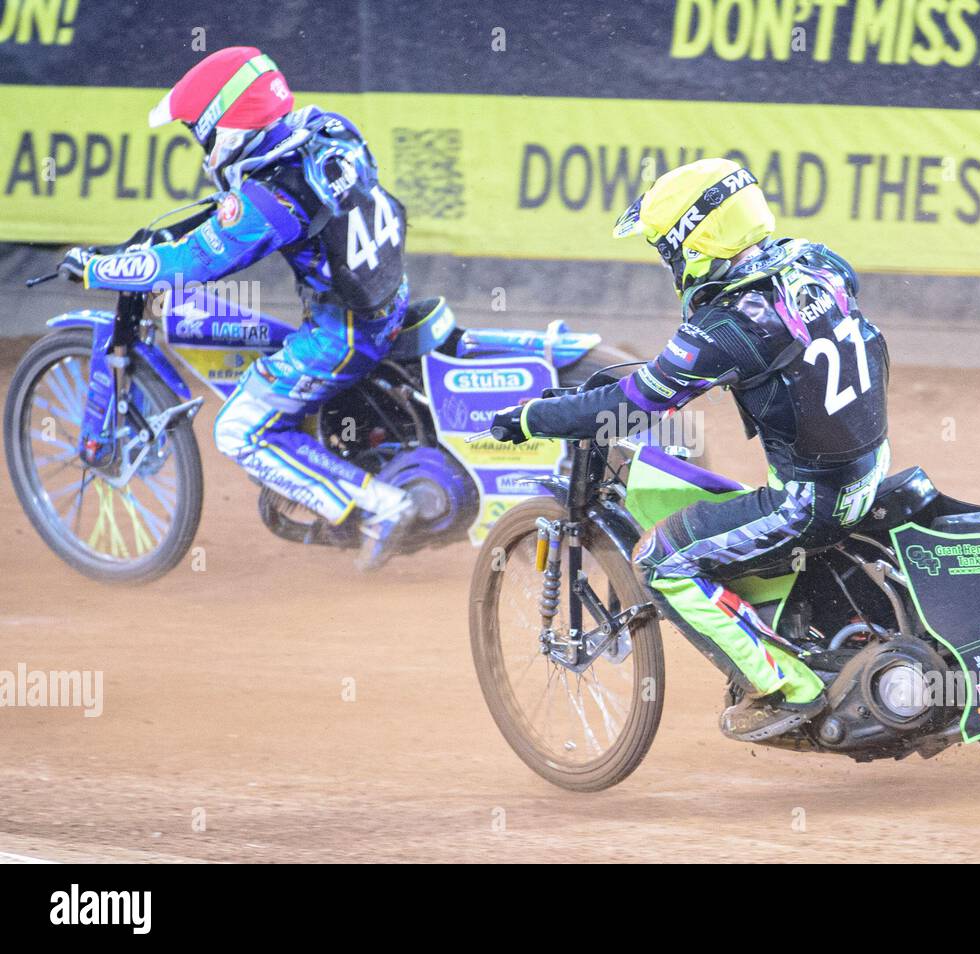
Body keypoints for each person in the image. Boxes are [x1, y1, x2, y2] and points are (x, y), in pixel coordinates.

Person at [491, 158, 892, 742]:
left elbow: (634, 407)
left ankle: (788, 688)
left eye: (665, 247)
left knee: (660, 558)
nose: (666, 262)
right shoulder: (819, 262)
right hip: (871, 468)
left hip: (812, 500)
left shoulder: (728, 326)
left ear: (693, 242)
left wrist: (533, 417)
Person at [57, 46, 415, 570]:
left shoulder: (270, 201)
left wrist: (96, 268)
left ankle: (383, 506)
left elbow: (190, 265)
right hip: (388, 296)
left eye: (197, 134)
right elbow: (245, 211)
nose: (200, 149)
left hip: (344, 336)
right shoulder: (326, 130)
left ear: (223, 131)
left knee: (238, 430)